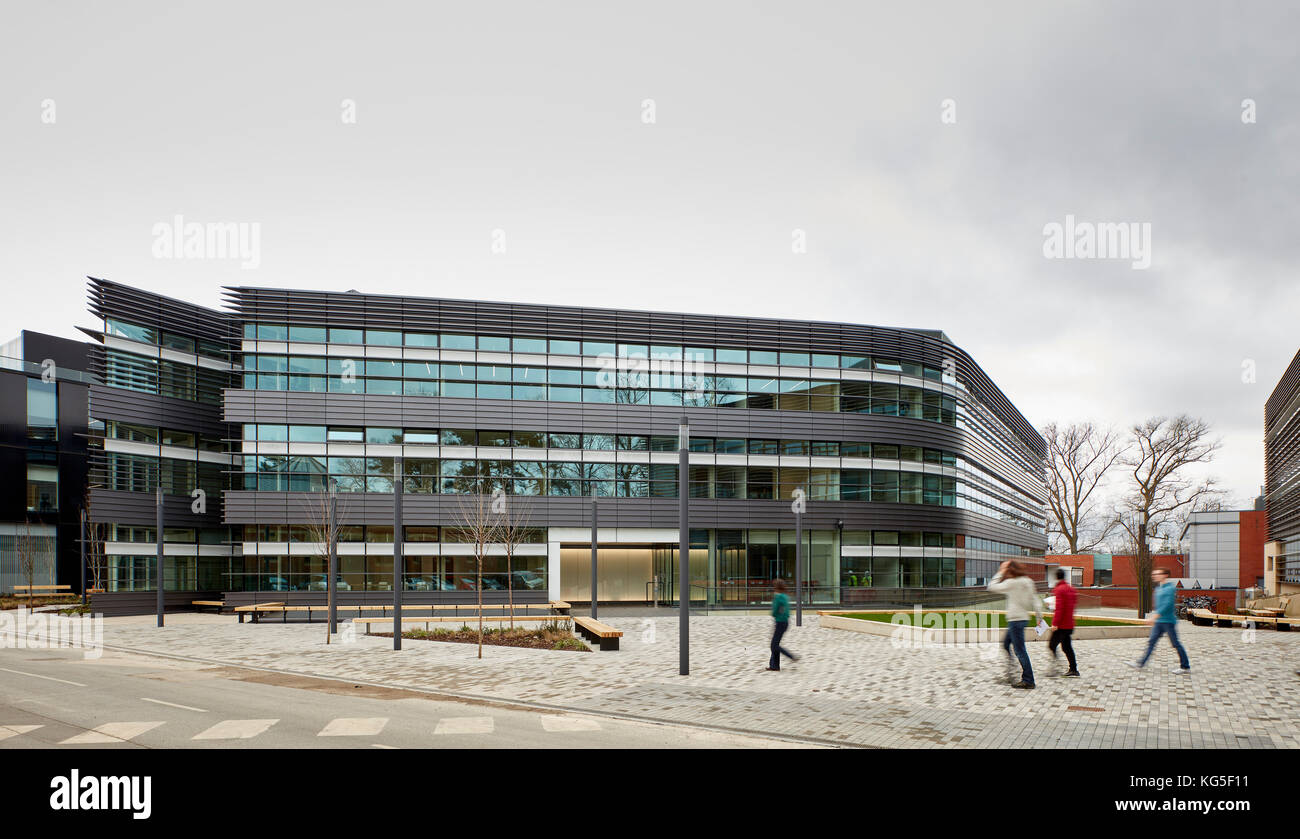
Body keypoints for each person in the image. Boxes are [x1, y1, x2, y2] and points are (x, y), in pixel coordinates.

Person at [988, 560, 1043, 689]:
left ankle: (1028, 680)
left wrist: (1000, 571)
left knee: (1020, 650)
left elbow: (992, 586)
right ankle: (1012, 672)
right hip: (1022, 619)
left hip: (1015, 620)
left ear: (1010, 570)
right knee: (1006, 644)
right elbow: (1036, 601)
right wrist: (1039, 619)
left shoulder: (1012, 583)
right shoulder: (1028, 581)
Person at [1128, 567, 1191, 673]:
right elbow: (1159, 605)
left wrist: (1154, 617)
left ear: (1165, 575)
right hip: (1159, 622)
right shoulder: (1158, 588)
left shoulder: (1170, 588)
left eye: (1157, 574)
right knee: (1151, 642)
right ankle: (1140, 663)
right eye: (1154, 574)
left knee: (1175, 643)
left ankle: (1185, 667)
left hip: (1168, 621)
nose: (1155, 576)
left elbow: (1167, 604)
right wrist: (1155, 616)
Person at [1047, 568, 1079, 677]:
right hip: (1069, 624)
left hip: (1061, 625)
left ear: (1056, 577)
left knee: (1052, 645)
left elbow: (1059, 608)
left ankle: (1056, 667)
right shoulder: (1071, 589)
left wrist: (1055, 623)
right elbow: (1071, 605)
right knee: (1066, 647)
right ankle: (1073, 669)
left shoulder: (1059, 589)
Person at [765, 579, 798, 672]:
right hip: (785, 622)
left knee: (774, 645)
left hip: (780, 622)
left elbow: (775, 610)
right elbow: (786, 610)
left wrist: (774, 614)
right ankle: (774, 666)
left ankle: (790, 656)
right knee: (774, 644)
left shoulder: (778, 597)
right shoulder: (785, 596)